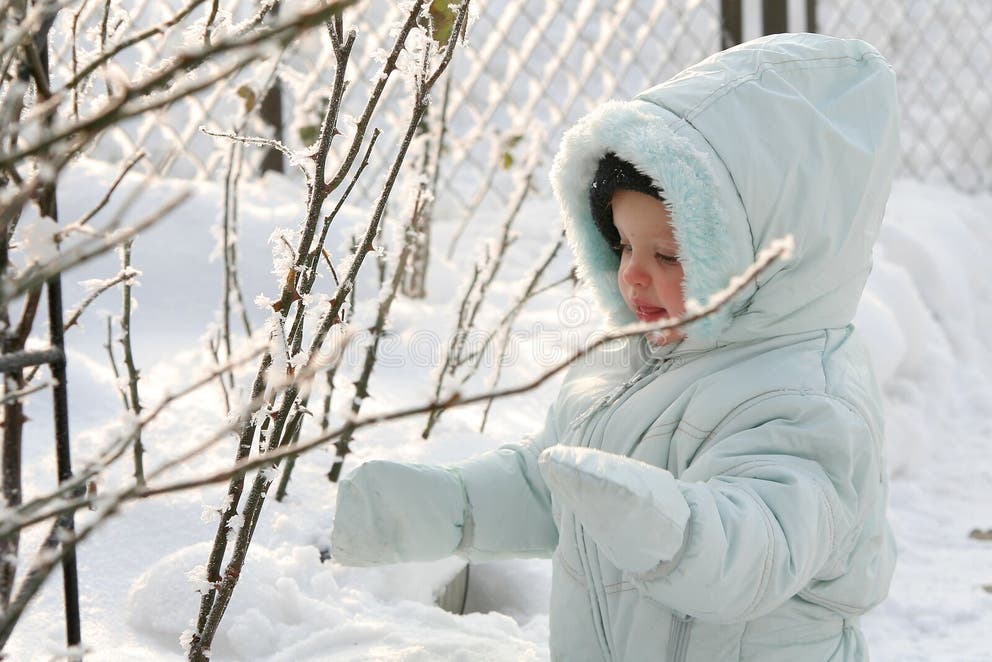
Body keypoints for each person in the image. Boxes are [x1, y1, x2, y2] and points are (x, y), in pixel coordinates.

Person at [331, 32, 898, 662]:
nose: (630, 274)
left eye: (670, 255)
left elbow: (763, 547)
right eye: (623, 245)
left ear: (766, 261)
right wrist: (447, 505)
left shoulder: (805, 399)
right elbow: (558, 488)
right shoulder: (631, 361)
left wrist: (675, 532)